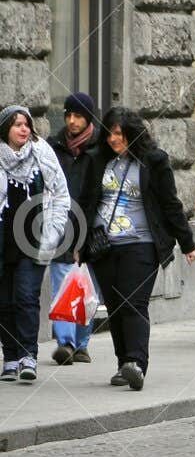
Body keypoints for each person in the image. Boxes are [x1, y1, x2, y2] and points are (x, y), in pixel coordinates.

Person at [87, 108, 195, 391]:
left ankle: (137, 363)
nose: (114, 139)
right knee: (114, 307)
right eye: (110, 132)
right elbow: (87, 202)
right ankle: (123, 363)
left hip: (142, 243)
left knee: (133, 302)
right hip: (104, 246)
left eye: (120, 134)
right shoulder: (99, 160)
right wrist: (78, 242)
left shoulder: (154, 161)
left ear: (133, 134)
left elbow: (170, 204)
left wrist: (187, 242)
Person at [0, 106, 70, 385]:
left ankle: (29, 355)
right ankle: (11, 357)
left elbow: (61, 195)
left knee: (26, 297)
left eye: (27, 124)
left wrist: (52, 233)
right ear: (6, 128)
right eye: (17, 124)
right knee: (4, 302)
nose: (24, 129)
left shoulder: (42, 153)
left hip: (33, 240)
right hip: (3, 241)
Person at [46, 92, 101, 365]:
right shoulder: (53, 146)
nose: (71, 121)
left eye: (78, 115)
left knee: (87, 287)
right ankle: (65, 344)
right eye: (68, 115)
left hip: (91, 227)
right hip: (61, 225)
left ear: (88, 117)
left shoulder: (99, 149)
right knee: (61, 284)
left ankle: (82, 343)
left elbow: (99, 193)